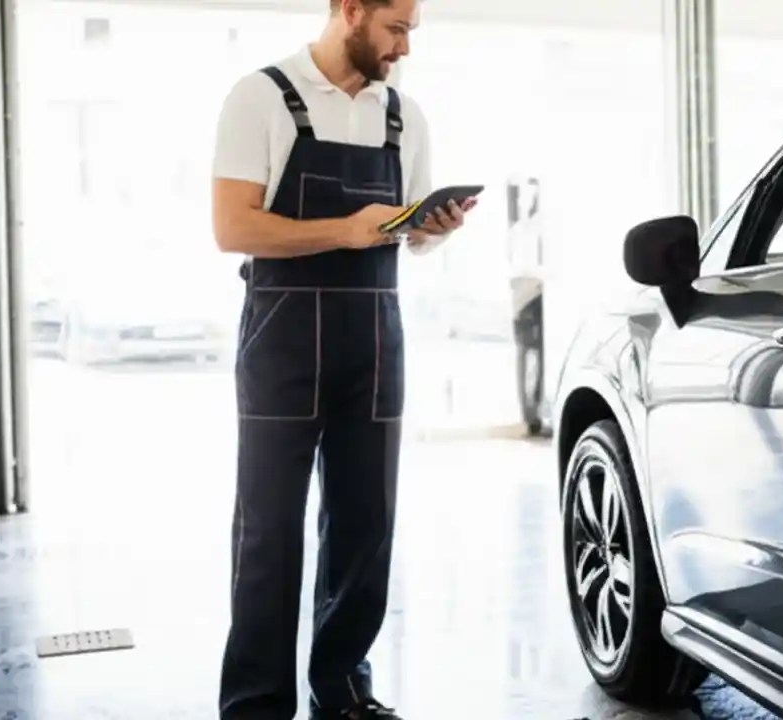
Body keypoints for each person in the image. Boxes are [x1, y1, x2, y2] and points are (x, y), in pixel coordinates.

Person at [209, 1, 473, 718]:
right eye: (396, 29)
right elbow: (233, 227)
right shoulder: (261, 97)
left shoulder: (404, 117)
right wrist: (344, 231)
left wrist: (434, 227)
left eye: (413, 32)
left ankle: (342, 689)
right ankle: (257, 703)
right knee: (268, 528)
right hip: (282, 338)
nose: (405, 48)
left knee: (365, 526)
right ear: (351, 12)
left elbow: (409, 236)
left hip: (375, 337)